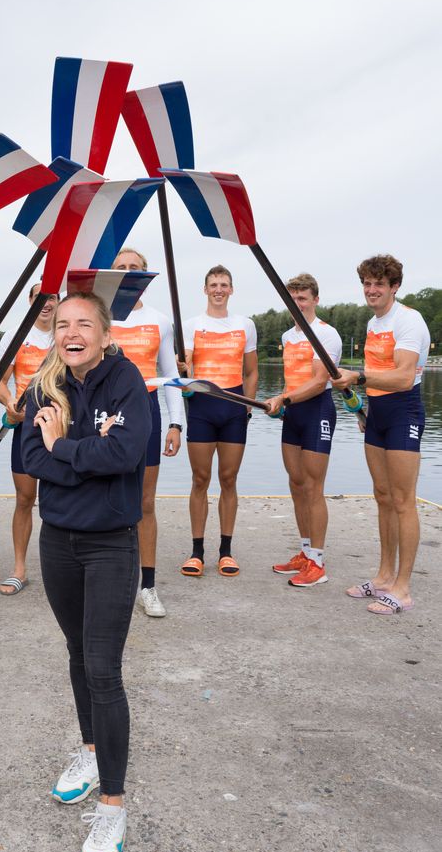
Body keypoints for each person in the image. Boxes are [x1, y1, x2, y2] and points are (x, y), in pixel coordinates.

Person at [22, 292, 151, 852]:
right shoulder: (44, 385)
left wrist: (62, 447)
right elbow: (31, 460)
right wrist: (80, 457)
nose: (72, 333)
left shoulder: (126, 381)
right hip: (58, 541)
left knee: (103, 669)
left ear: (104, 333)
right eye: (63, 324)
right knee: (77, 653)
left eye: (84, 324)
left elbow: (125, 453)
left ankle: (113, 808)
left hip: (110, 544)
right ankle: (92, 751)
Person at [331, 255, 430, 615]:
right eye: (367, 284)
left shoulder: (409, 320)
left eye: (379, 284)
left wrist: (356, 376)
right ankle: (385, 576)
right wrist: (365, 408)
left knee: (403, 500)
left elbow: (403, 377)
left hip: (404, 413)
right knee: (383, 496)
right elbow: (379, 371)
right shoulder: (375, 323)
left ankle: (403, 589)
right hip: (378, 415)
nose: (371, 290)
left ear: (394, 287)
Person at [109, 248, 184, 617]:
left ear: (145, 275)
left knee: (145, 503)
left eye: (134, 268)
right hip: (106, 412)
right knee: (104, 496)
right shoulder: (100, 315)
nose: (128, 272)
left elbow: (171, 376)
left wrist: (176, 423)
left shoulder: (160, 320)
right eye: (121, 268)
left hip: (147, 411)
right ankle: (107, 579)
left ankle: (148, 586)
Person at [264, 274, 342, 587]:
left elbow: (319, 382)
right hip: (293, 414)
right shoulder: (287, 336)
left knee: (313, 486)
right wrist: (282, 403)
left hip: (317, 411)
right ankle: (306, 551)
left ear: (315, 300)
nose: (297, 304)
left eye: (303, 298)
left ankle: (318, 563)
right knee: (296, 483)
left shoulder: (326, 333)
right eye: (292, 299)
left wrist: (283, 398)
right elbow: (292, 380)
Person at [180, 265, 258, 577]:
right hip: (202, 408)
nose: (218, 290)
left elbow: (251, 371)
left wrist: (248, 407)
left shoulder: (245, 325)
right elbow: (186, 371)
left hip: (234, 408)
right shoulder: (191, 325)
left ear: (231, 289)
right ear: (205, 289)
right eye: (213, 284)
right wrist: (183, 369)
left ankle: (226, 551)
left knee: (228, 479)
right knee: (200, 479)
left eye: (224, 284)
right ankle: (196, 552)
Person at [0, 283, 58, 595]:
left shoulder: (66, 333)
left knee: (60, 498)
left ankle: (61, 567)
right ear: (30, 301)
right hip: (26, 427)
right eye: (39, 297)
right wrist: (9, 403)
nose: (46, 303)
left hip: (61, 427)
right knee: (24, 498)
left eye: (52, 297)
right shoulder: (16, 335)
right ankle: (19, 568)